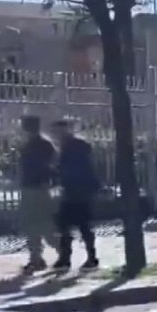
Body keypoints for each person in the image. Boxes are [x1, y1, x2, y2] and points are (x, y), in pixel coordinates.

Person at [52, 119, 99, 270]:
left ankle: (81, 258)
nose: (56, 135)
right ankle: (70, 258)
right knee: (70, 225)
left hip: (78, 190)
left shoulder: (74, 146)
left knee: (77, 225)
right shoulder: (72, 145)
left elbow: (82, 167)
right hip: (74, 190)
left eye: (59, 131)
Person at [19, 115, 58, 272]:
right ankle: (36, 257)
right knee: (31, 224)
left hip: (39, 188)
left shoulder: (44, 144)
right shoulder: (30, 144)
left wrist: (48, 179)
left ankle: (62, 250)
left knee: (45, 225)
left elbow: (53, 165)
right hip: (29, 186)